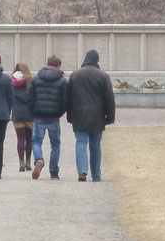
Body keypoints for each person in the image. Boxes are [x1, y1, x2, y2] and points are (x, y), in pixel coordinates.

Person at [65, 49, 115, 182]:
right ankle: (96, 174)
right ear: (97, 60)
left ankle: (82, 171)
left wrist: (69, 116)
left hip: (79, 114)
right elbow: (109, 98)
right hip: (98, 116)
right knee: (95, 145)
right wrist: (110, 118)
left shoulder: (75, 75)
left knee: (81, 142)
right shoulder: (103, 76)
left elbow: (69, 98)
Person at [28, 55, 67, 180]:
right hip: (54, 117)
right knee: (55, 144)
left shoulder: (36, 78)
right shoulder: (62, 81)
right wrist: (59, 113)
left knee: (36, 141)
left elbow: (30, 98)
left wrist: (32, 112)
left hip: (39, 115)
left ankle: (39, 159)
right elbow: (65, 101)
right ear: (58, 66)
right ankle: (54, 171)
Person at [10, 61, 34, 171]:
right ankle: (28, 161)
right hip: (29, 113)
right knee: (29, 138)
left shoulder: (11, 81)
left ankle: (21, 162)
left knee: (20, 139)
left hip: (17, 112)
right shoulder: (31, 81)